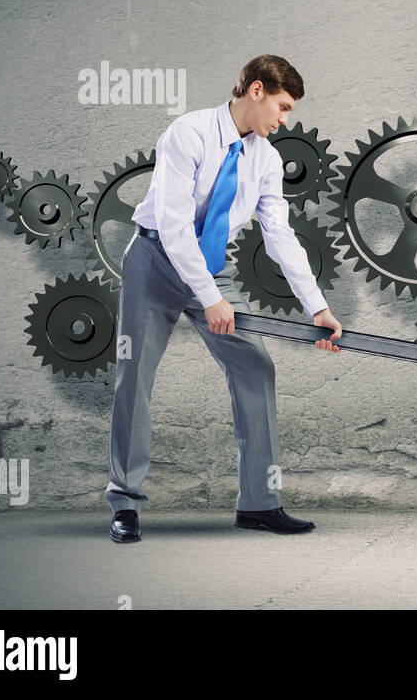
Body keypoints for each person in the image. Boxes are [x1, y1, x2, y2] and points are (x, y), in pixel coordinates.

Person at [104, 54, 343, 543]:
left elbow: (280, 236)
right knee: (135, 376)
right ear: (255, 90)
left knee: (255, 367)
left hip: (212, 264)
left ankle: (260, 503)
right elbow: (172, 225)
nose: (283, 120)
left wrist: (316, 306)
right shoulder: (187, 134)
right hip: (154, 260)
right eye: (282, 106)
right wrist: (211, 299)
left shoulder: (267, 158)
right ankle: (125, 505)